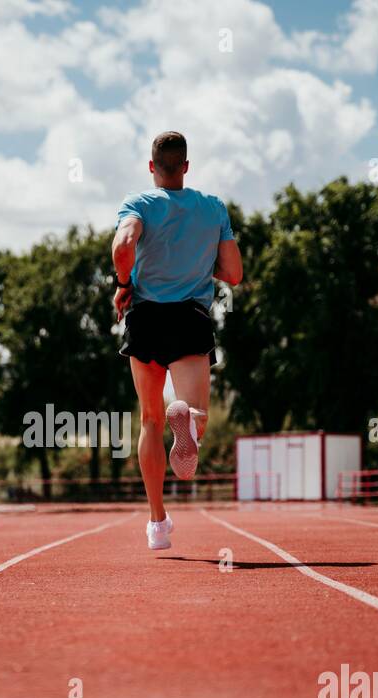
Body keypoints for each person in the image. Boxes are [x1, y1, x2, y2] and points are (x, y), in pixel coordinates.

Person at [111, 131, 243, 551]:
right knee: (198, 415)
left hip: (146, 317)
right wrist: (199, 263)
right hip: (190, 317)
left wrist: (123, 282)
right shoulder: (212, 208)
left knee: (149, 420)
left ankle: (157, 521)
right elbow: (234, 273)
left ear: (152, 167)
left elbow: (124, 244)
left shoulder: (138, 205)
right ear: (186, 166)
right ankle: (187, 420)